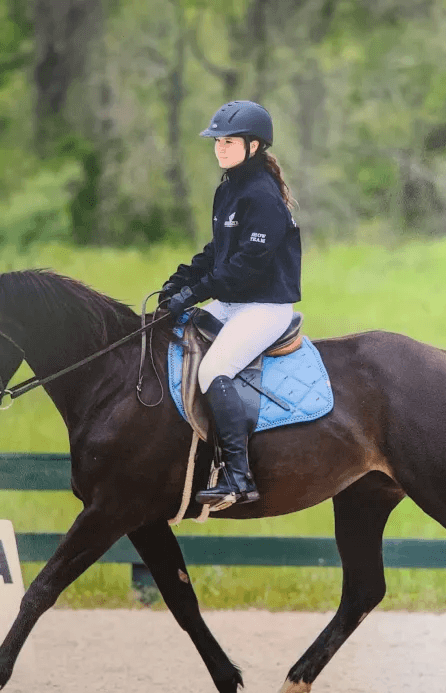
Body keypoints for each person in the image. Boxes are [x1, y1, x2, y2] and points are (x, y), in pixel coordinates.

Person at [161, 100, 302, 509]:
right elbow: (218, 251)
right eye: (217, 141)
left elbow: (245, 268)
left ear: (254, 146)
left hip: (263, 306)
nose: (220, 148)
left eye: (229, 142)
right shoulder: (230, 188)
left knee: (214, 368)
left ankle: (239, 479)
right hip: (235, 302)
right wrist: (182, 279)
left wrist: (195, 292)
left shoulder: (262, 196)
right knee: (172, 334)